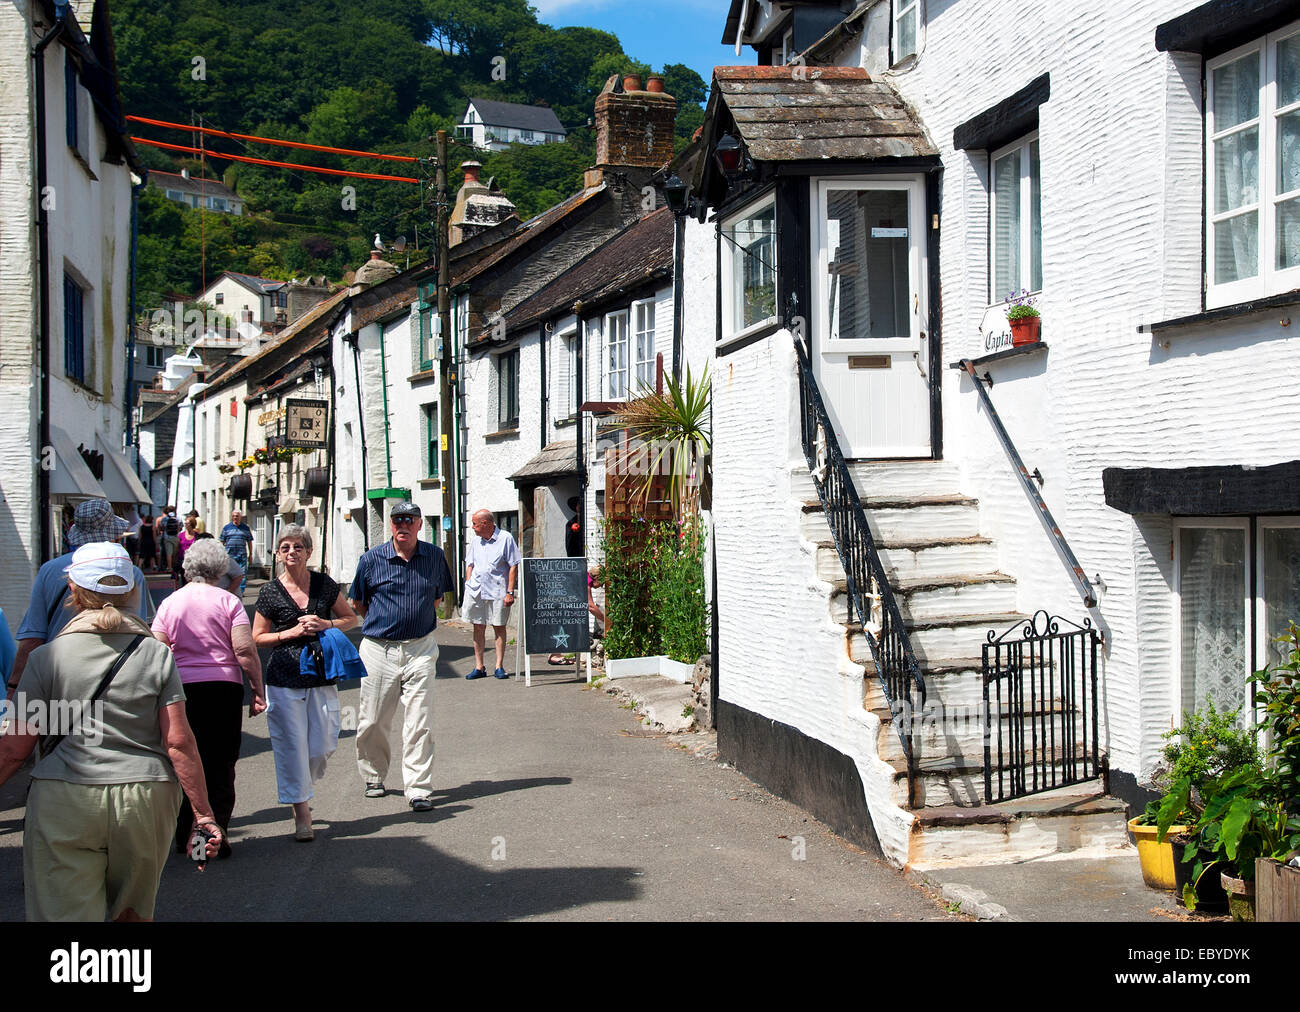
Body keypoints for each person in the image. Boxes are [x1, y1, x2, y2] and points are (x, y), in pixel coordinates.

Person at [0, 542, 222, 921]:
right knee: (132, 913)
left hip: (64, 799)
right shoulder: (156, 655)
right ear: (132, 591)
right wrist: (203, 815)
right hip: (144, 798)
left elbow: (14, 750)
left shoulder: (46, 658)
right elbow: (178, 741)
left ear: (72, 589)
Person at [152, 539, 266, 858]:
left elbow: (157, 649)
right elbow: (243, 650)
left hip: (180, 691)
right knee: (220, 763)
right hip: (223, 688)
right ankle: (210, 840)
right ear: (219, 569)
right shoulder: (228, 602)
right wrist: (257, 690)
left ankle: (184, 837)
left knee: (184, 759)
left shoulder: (171, 603)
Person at [252, 524, 358, 840]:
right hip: (284, 677)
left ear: (309, 551)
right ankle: (302, 812)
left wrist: (325, 623)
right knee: (291, 745)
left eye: (298, 546)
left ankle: (302, 787)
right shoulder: (270, 592)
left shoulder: (324, 585)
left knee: (324, 741)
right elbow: (257, 637)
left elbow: (351, 618)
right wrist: (289, 633)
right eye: (285, 547)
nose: (292, 552)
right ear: (278, 554)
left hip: (322, 674)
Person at [349, 502, 454, 811]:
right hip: (379, 649)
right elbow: (358, 602)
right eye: (397, 520)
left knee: (420, 720)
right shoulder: (371, 560)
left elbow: (436, 598)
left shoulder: (434, 557)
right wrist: (387, 625)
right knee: (373, 720)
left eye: (409, 520)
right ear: (390, 525)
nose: (402, 525)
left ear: (420, 524)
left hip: (420, 648)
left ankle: (418, 789)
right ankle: (373, 776)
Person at [8, 499, 153, 698]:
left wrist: (13, 688)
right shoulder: (131, 573)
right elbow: (137, 630)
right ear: (113, 531)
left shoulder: (50, 570)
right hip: (117, 677)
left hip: (58, 675)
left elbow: (33, 637)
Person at [463, 509, 521, 680]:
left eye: (475, 524)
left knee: (499, 626)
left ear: (485, 523)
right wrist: (468, 583)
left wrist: (510, 591)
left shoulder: (505, 538)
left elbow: (513, 565)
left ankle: (499, 666)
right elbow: (470, 564)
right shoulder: (476, 541)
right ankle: (479, 666)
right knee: (478, 626)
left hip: (497, 590)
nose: (473, 527)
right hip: (477, 590)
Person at [219, 509, 254, 597]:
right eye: (234, 516)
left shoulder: (245, 528)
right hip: (229, 555)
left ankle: (240, 592)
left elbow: (249, 541)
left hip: (242, 555)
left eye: (237, 516)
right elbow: (222, 541)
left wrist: (251, 554)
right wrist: (220, 553)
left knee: (242, 574)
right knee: (229, 574)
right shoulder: (227, 528)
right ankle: (231, 590)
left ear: (240, 517)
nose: (235, 518)